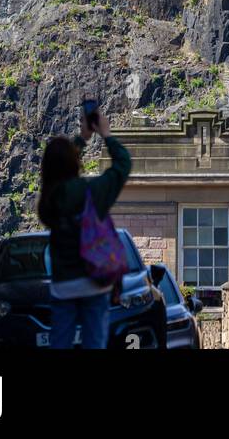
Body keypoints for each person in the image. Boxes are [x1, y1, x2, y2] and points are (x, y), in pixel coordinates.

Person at [37, 107, 131, 350]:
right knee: (95, 343)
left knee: (60, 343)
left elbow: (58, 166)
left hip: (62, 286)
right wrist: (105, 134)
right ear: (74, 163)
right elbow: (123, 165)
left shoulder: (49, 199)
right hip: (94, 281)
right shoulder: (92, 192)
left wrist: (81, 140)